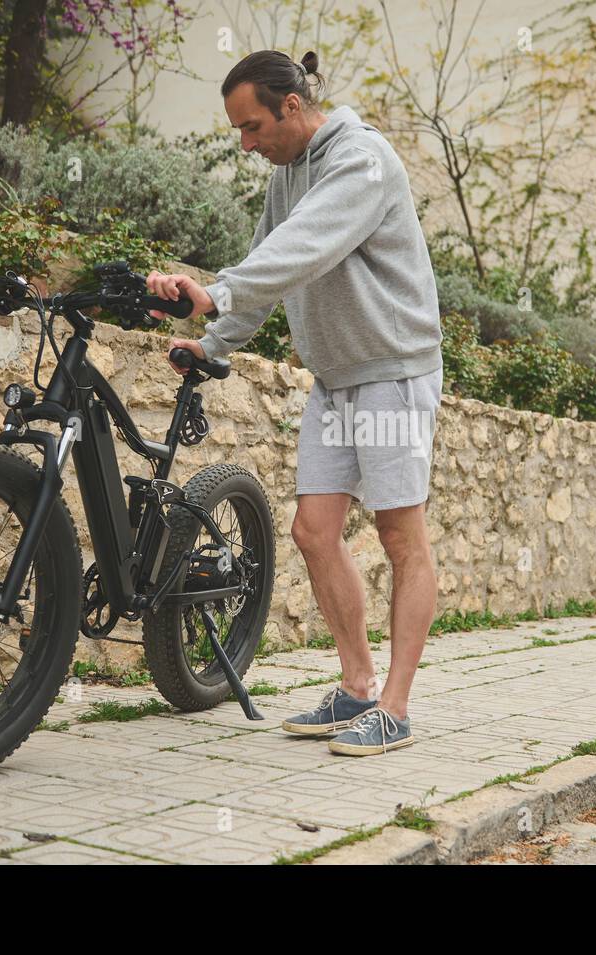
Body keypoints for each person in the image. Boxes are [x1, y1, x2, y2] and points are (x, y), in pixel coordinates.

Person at [146, 49, 443, 756]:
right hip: (336, 377)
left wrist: (217, 290)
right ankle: (358, 684)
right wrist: (215, 342)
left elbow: (304, 249)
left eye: (251, 127)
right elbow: (269, 260)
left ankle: (395, 708)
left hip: (393, 371)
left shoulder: (363, 161)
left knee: (403, 537)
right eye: (237, 133)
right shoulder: (287, 176)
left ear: (291, 105)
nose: (247, 144)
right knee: (314, 532)